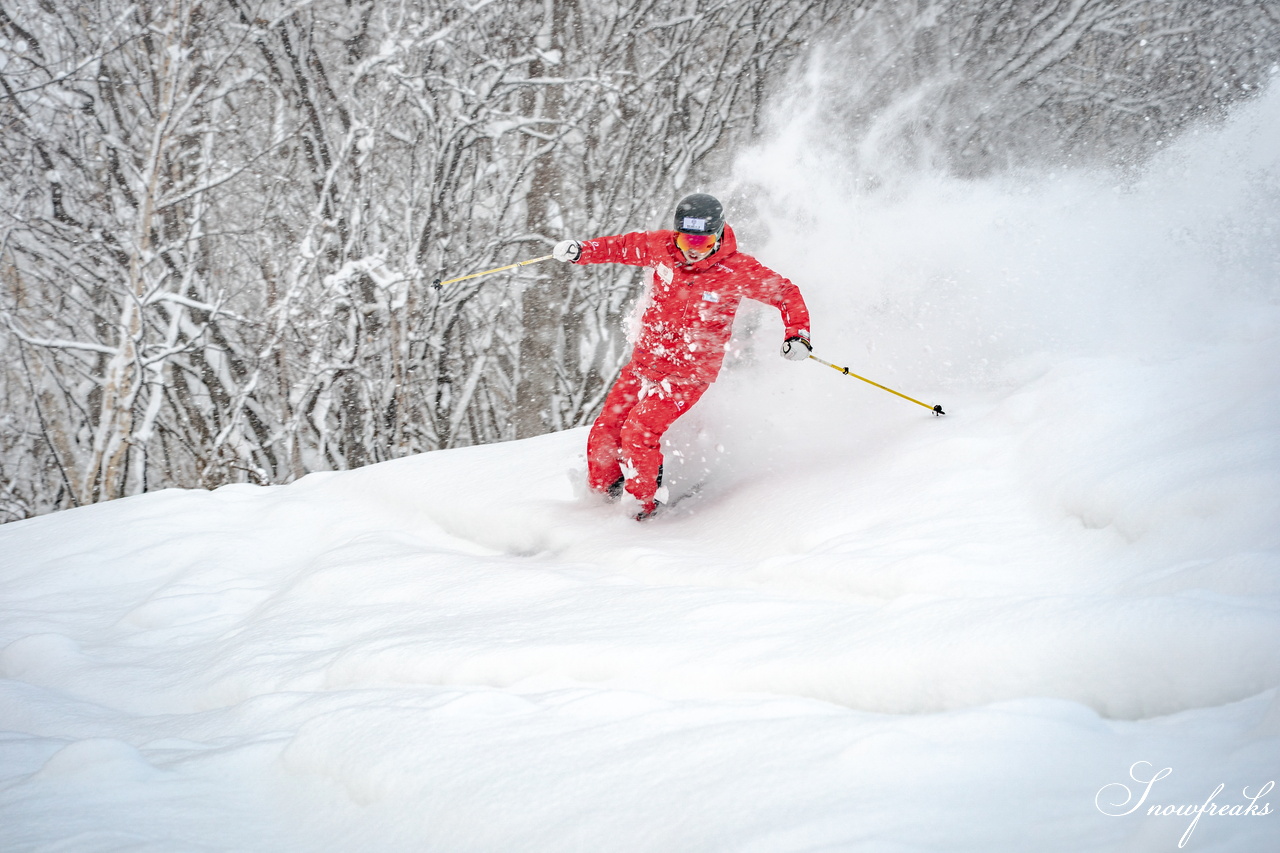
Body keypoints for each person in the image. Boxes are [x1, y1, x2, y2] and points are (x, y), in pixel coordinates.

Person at [553, 193, 811, 520]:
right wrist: (581, 251)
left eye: (703, 242)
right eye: (687, 238)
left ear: (717, 236)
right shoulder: (662, 248)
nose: (692, 248)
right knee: (606, 431)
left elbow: (785, 293)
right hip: (646, 362)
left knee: (637, 432)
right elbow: (620, 247)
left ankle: (638, 511)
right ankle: (601, 503)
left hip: (689, 374)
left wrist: (797, 332)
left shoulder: (736, 269)